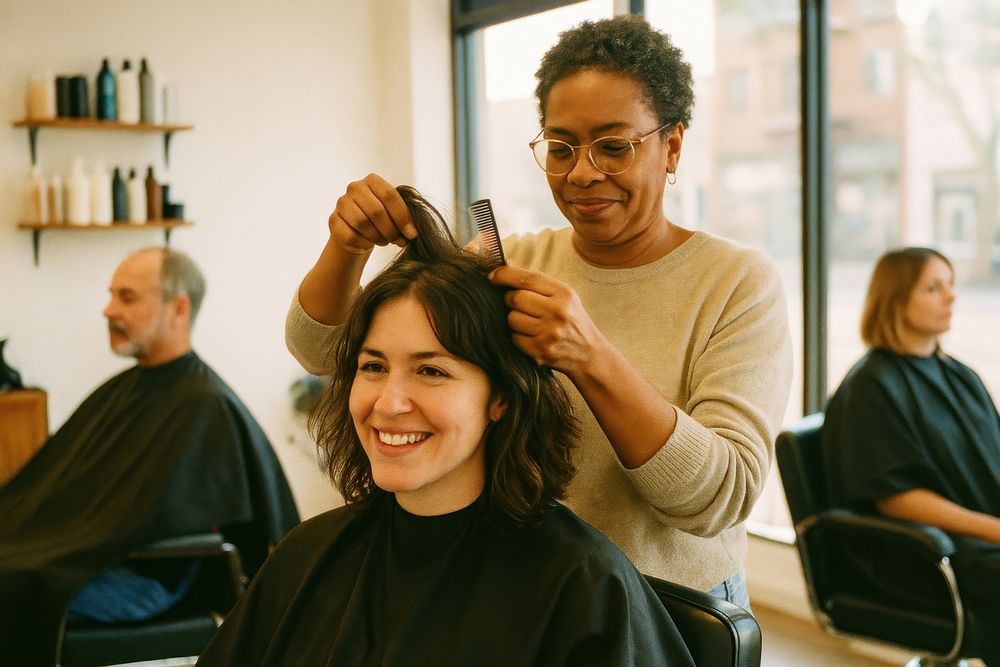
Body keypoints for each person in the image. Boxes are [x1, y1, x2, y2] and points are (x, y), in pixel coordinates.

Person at [285, 14, 792, 606]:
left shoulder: (737, 285)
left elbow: (720, 498)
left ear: (671, 145)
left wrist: (590, 357)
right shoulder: (513, 262)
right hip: (525, 595)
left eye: (613, 146)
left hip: (667, 609)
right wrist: (345, 248)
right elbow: (320, 352)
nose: (581, 172)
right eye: (561, 147)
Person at [198, 187, 695, 666]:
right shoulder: (308, 557)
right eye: (373, 367)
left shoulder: (580, 586)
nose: (389, 403)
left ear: (500, 397)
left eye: (431, 371)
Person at [0, 247, 300, 666]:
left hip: (143, 579)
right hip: (92, 560)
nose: (107, 310)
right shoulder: (124, 390)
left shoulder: (204, 405)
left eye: (127, 297)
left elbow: (179, 523)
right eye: (111, 295)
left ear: (178, 308)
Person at [823, 247, 1000, 665]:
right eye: (933, 288)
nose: (952, 297)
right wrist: (995, 530)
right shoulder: (871, 387)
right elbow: (896, 497)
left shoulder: (960, 374)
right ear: (896, 298)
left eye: (951, 285)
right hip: (924, 557)